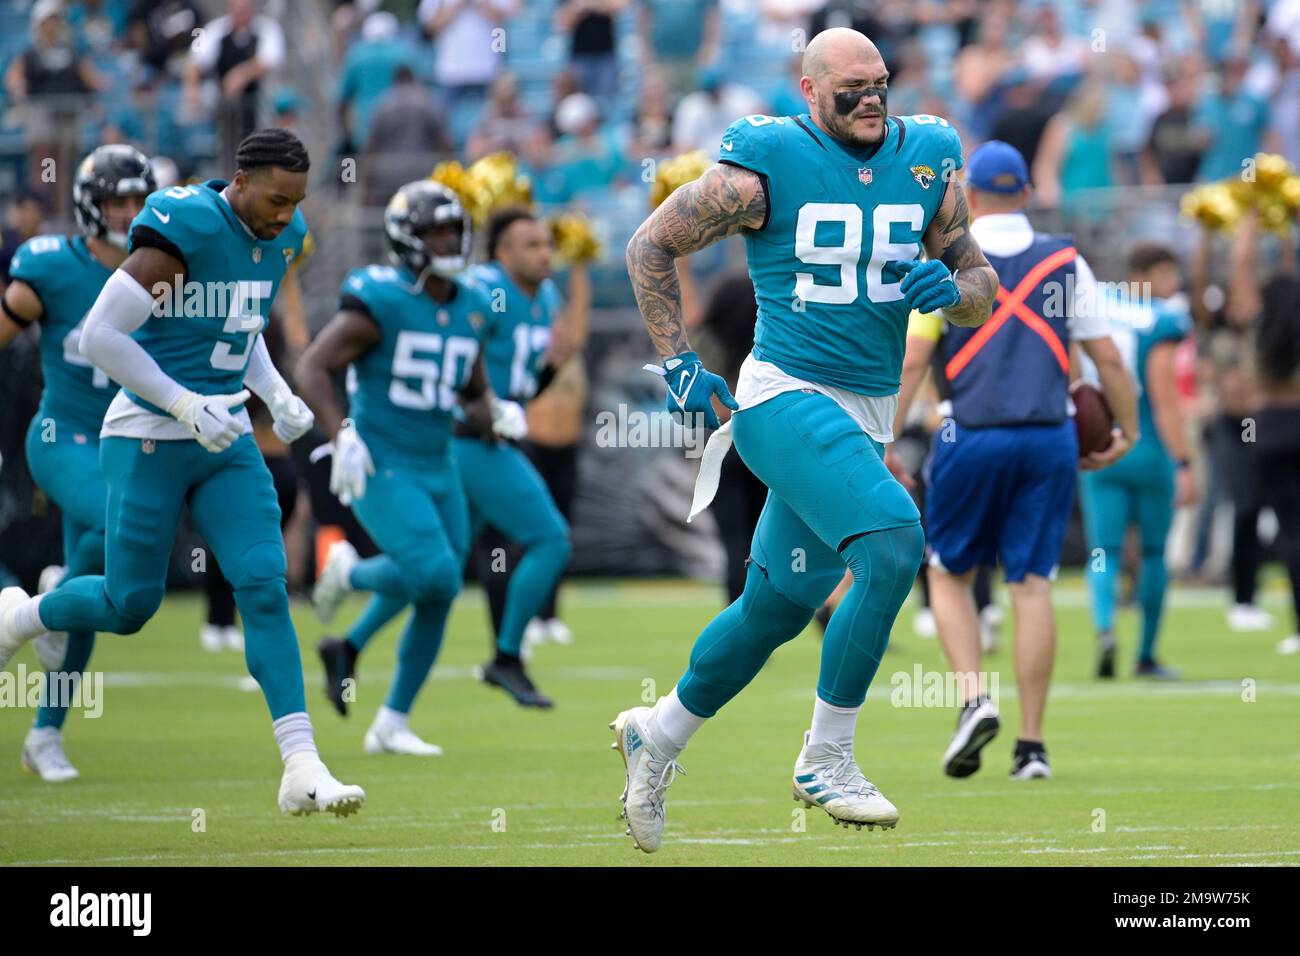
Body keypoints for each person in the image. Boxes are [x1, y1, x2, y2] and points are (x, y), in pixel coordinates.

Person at [614, 27, 999, 853]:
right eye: (851, 87)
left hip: (866, 408)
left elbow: (980, 288)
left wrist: (954, 289)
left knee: (773, 611)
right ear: (809, 90)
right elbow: (649, 245)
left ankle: (660, 731)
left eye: (880, 83)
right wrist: (679, 363)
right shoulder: (765, 160)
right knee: (895, 545)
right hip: (783, 395)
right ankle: (827, 756)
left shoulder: (928, 153)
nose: (871, 100)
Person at [0, 128, 365, 818]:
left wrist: (276, 391)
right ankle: (23, 616)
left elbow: (241, 321)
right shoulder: (186, 224)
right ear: (242, 180)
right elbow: (99, 337)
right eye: (277, 199)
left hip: (223, 437)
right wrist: (181, 401)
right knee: (127, 605)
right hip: (146, 434)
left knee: (263, 584)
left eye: (298, 201)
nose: (288, 215)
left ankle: (302, 763)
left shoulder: (283, 235)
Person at [890, 140, 1137, 781]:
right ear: (1027, 192)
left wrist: (883, 440)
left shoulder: (944, 262)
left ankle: (974, 699)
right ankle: (1032, 747)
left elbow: (915, 360)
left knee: (947, 573)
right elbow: (1107, 359)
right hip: (1050, 437)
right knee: (1032, 586)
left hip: (966, 434)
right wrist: (1128, 429)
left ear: (968, 194)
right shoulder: (1065, 259)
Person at [297, 181, 510, 754]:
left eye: (452, 230)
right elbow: (312, 367)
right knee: (436, 573)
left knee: (438, 588)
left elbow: (469, 388)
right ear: (406, 241)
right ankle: (347, 573)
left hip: (439, 461)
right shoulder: (381, 301)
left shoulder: (470, 305)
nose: (446, 241)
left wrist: (496, 413)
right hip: (383, 459)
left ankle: (391, 721)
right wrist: (341, 432)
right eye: (433, 231)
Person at [0, 146, 155, 781]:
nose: (126, 212)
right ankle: (44, 608)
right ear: (92, 205)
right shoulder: (50, 267)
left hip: (134, 442)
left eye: (135, 201)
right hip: (64, 438)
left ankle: (45, 735)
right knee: (124, 531)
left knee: (105, 586)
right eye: (116, 201)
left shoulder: (167, 270)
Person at [1079, 243, 1198, 680]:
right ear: (1149, 273)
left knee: (1102, 551)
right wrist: (1183, 461)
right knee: (1151, 553)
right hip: (1146, 444)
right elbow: (1165, 398)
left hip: (1097, 442)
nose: (1175, 285)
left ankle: (1105, 628)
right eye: (1169, 275)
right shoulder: (1162, 320)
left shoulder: (1096, 306)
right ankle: (1146, 654)